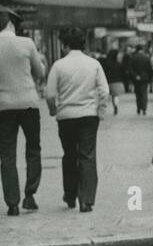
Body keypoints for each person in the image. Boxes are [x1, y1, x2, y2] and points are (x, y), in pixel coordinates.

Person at [0, 13, 47, 216]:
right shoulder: (27, 43)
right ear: (10, 25)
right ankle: (30, 194)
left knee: (7, 155)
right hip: (29, 104)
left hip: (2, 107)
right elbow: (40, 73)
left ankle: (12, 203)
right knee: (33, 149)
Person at [45, 27, 109, 213]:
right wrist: (101, 111)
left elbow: (49, 94)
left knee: (69, 155)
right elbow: (104, 91)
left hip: (66, 117)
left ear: (64, 45)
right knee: (88, 156)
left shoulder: (58, 66)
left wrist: (53, 110)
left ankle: (70, 195)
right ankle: (87, 200)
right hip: (89, 116)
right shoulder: (94, 64)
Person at [127, 44, 153, 115]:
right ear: (142, 49)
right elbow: (150, 69)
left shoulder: (133, 58)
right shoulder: (146, 58)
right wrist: (149, 79)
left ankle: (138, 108)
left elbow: (130, 69)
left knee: (138, 94)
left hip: (136, 79)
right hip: (145, 78)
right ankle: (144, 108)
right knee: (144, 93)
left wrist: (135, 76)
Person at [102, 49, 122, 114]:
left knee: (105, 96)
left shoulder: (106, 63)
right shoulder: (118, 63)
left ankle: (103, 108)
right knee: (115, 96)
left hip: (107, 81)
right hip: (116, 81)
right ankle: (115, 105)